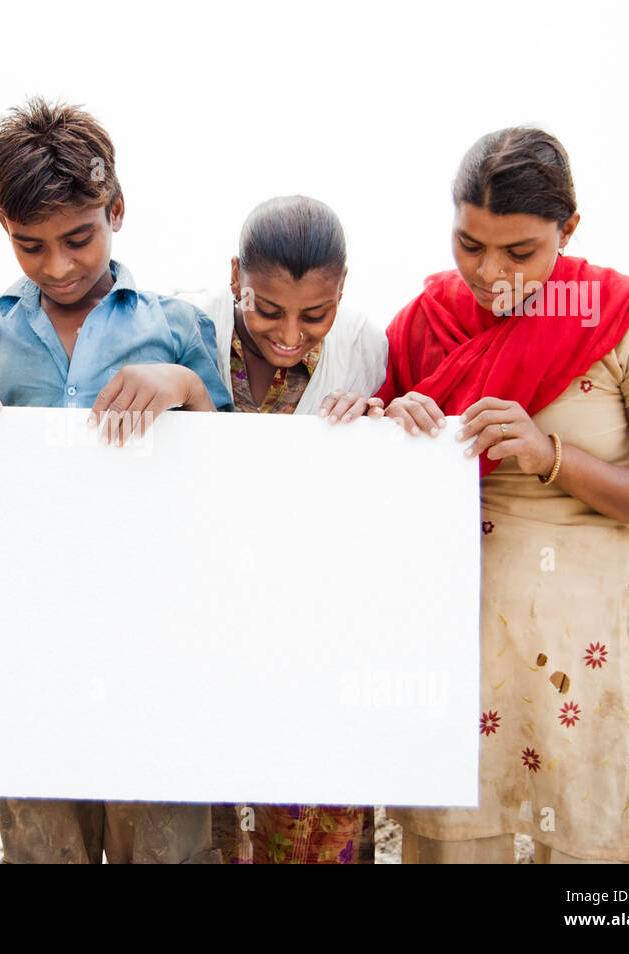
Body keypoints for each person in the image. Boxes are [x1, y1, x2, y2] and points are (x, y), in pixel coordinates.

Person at [375, 127, 629, 863]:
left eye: (520, 252)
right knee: (457, 844)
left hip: (583, 643)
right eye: (468, 245)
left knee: (585, 852)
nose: (491, 274)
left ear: (569, 230)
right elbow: (377, 496)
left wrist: (553, 456)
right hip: (459, 641)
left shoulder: (625, 317)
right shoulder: (424, 324)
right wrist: (390, 427)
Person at [0, 97, 232, 863]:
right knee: (44, 845)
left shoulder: (176, 327)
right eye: (29, 245)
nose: (59, 265)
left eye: (80, 237)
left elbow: (231, 476)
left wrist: (183, 385)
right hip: (32, 630)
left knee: (166, 844)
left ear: (118, 209)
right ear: (3, 229)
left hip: (155, 629)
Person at [181, 195, 386, 863]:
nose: (290, 333)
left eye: (313, 314)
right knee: (197, 820)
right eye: (266, 309)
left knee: (313, 821)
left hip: (316, 622)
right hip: (200, 615)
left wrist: (382, 418)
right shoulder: (185, 327)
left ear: (343, 290)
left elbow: (384, 484)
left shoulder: (364, 347)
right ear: (236, 274)